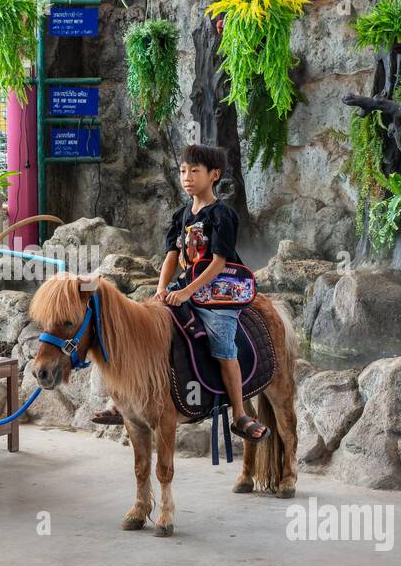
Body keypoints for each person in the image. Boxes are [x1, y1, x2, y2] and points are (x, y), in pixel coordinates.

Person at [93, 144, 271, 442]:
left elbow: (218, 262)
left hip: (220, 291)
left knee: (223, 343)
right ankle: (121, 399)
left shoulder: (222, 215)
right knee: (144, 322)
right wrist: (162, 288)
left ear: (214, 175)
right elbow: (172, 256)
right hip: (186, 286)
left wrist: (187, 292)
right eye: (183, 171)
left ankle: (239, 414)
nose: (187, 177)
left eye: (195, 171)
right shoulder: (182, 215)